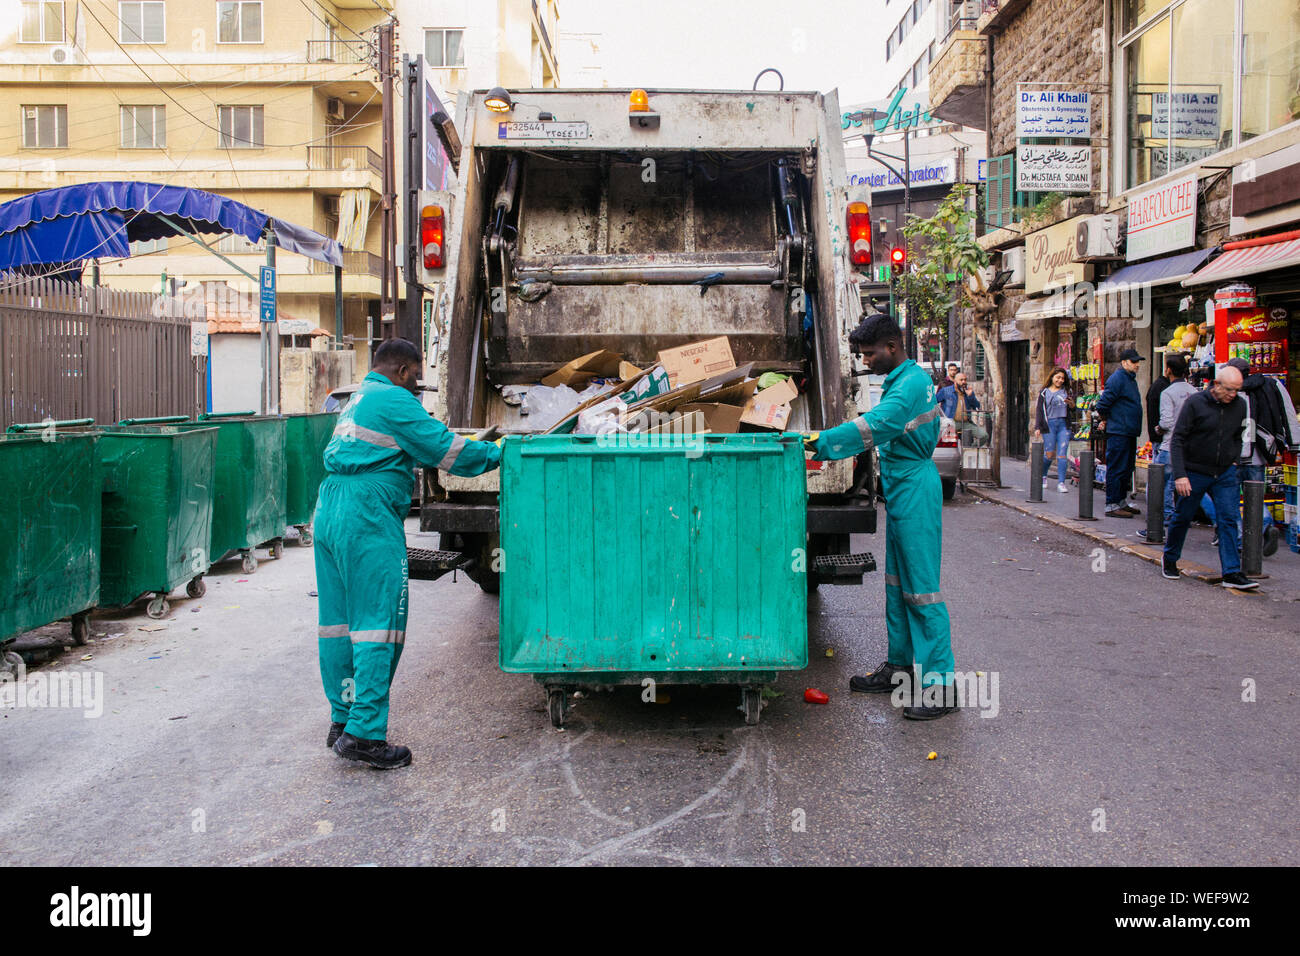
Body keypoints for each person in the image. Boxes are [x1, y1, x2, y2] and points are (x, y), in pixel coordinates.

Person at [315, 338, 503, 768]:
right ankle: (364, 734)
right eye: (416, 376)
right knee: (379, 623)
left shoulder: (359, 398)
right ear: (402, 371)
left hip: (331, 509)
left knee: (338, 623)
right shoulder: (396, 401)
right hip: (367, 514)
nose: (417, 385)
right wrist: (500, 454)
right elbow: (447, 451)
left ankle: (343, 720)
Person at [806, 313, 957, 720]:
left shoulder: (908, 386)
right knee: (897, 584)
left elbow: (875, 426)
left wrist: (818, 442)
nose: (866, 360)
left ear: (892, 347)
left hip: (915, 487)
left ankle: (941, 686)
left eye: (870, 354)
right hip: (902, 487)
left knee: (922, 589)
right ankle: (900, 666)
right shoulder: (903, 379)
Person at [1163, 364, 1258, 590]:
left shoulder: (1240, 405)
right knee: (1182, 516)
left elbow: (1239, 435)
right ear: (1216, 385)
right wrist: (1180, 475)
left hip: (1224, 471)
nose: (1233, 395)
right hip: (1194, 470)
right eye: (1229, 390)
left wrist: (1234, 458)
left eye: (1237, 390)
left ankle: (1232, 572)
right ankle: (1170, 558)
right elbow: (1177, 440)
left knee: (1228, 518)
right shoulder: (1195, 403)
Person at [1229, 357, 1293, 557]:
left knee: (1231, 498)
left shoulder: (1235, 391)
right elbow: (1286, 411)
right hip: (1260, 453)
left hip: (1236, 455)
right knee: (1254, 496)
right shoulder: (1266, 385)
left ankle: (1241, 539)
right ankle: (1264, 523)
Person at [1095, 348, 1145, 518]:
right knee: (1117, 467)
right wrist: (1110, 419)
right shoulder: (1118, 379)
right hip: (1119, 431)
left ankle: (1121, 500)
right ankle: (1112, 504)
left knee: (1126, 467)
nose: (1137, 364)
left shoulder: (1129, 379)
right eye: (1134, 362)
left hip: (1128, 430)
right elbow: (1103, 404)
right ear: (1124, 363)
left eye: (1138, 361)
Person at [1153, 354, 1196, 531]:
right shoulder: (1194, 392)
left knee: (1158, 484)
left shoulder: (1167, 393)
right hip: (1190, 446)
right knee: (1188, 484)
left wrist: (1158, 429)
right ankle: (1213, 518)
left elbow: (1166, 422)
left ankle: (1161, 521)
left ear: (1168, 369)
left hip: (1170, 445)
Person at [1033, 367, 1072, 493]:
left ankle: (1061, 482)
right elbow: (1039, 410)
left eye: (1062, 378)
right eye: (1058, 377)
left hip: (1063, 425)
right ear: (1052, 377)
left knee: (1062, 455)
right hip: (1049, 424)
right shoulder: (1044, 392)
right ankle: (1043, 475)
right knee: (1049, 454)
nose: (1060, 380)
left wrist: (1071, 404)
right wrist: (1038, 427)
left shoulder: (1067, 391)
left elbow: (1073, 407)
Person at [936, 371, 987, 446]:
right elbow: (933, 402)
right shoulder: (946, 391)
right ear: (955, 381)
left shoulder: (968, 392)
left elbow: (977, 407)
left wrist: (970, 396)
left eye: (965, 380)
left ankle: (969, 450)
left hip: (966, 423)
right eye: (961, 380)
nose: (964, 382)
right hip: (950, 423)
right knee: (947, 443)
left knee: (984, 435)